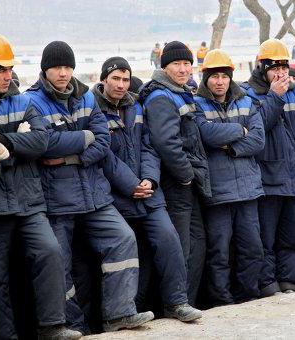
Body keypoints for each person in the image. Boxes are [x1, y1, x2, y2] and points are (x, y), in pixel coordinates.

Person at [0, 32, 80, 340]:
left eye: (10, 69)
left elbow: (41, 141)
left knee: (50, 253)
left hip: (29, 201)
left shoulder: (22, 100)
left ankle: (52, 327)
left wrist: (5, 141)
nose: (8, 76)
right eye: (1, 70)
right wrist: (11, 144)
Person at [25, 41, 153, 333]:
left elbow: (102, 140)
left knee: (122, 238)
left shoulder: (86, 98)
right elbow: (43, 145)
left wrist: (70, 157)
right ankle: (68, 325)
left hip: (94, 196)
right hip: (56, 199)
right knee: (58, 262)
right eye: (57, 67)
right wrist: (84, 141)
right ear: (45, 69)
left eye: (68, 66)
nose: (63, 72)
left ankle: (119, 314)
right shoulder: (30, 102)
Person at [93, 56, 202, 321]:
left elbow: (150, 146)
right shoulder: (93, 109)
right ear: (104, 80)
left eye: (125, 79)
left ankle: (177, 303)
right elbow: (104, 155)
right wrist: (130, 185)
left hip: (150, 193)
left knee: (169, 241)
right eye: (116, 79)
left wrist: (150, 180)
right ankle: (124, 312)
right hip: (117, 196)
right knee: (129, 251)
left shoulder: (136, 107)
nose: (121, 85)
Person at [241, 38, 295, 296]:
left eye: (284, 67)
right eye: (275, 68)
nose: (281, 73)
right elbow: (259, 127)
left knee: (290, 237)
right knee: (266, 238)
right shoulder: (249, 94)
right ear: (263, 67)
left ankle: (289, 282)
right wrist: (275, 96)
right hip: (268, 178)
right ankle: (268, 283)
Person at [139, 41, 211, 306]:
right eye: (176, 64)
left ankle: (187, 300)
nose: (183, 69)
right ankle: (175, 303)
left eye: (186, 64)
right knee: (181, 246)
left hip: (185, 180)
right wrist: (185, 174)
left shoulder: (179, 92)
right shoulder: (161, 96)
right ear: (164, 66)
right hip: (176, 182)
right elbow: (166, 142)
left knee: (195, 242)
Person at [194, 49, 266, 305]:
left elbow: (258, 140)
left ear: (230, 77)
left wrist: (232, 147)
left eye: (224, 76)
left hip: (248, 190)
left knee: (252, 249)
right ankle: (221, 301)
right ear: (206, 79)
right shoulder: (196, 104)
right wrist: (239, 129)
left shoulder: (246, 100)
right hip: (218, 193)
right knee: (219, 252)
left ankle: (249, 296)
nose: (220, 81)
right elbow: (205, 134)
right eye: (214, 76)